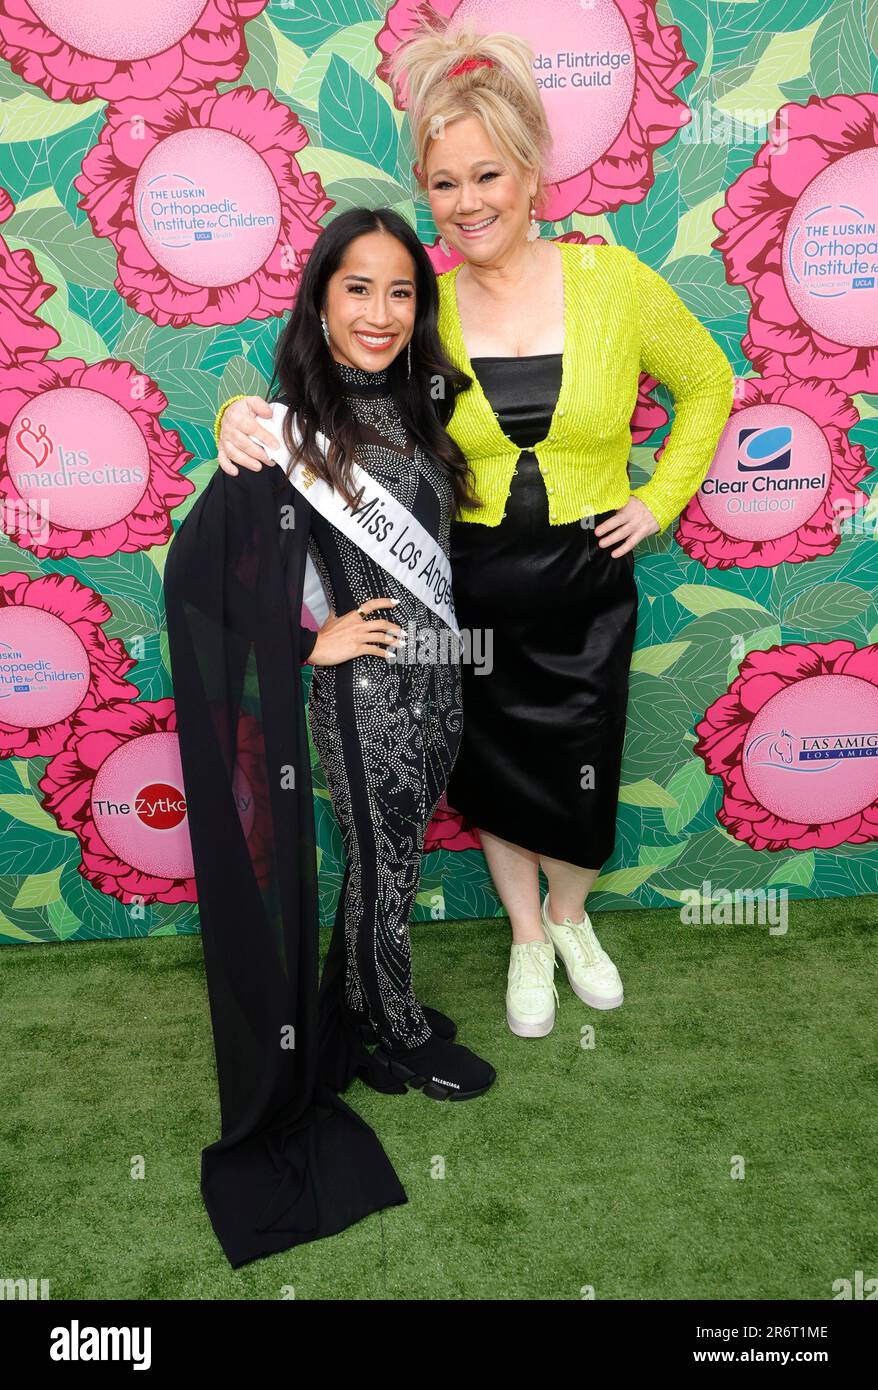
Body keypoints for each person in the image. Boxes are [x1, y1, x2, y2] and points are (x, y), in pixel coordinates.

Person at [212, 24, 736, 1043]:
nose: (468, 202)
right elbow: (335, 399)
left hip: (588, 579)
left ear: (531, 170)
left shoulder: (612, 281)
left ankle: (570, 918)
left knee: (581, 768)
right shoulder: (424, 307)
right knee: (494, 768)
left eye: (487, 174)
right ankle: (524, 938)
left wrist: (658, 499)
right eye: (443, 183)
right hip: (468, 583)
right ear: (425, 190)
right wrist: (241, 418)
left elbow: (708, 381)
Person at [164, 206, 494, 1266]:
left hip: (435, 684)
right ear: (319, 296)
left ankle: (362, 999)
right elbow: (212, 573)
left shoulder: (417, 402)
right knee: (382, 861)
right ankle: (390, 1036)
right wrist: (309, 645)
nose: (382, 312)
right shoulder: (284, 425)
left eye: (402, 291)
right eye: (358, 287)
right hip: (363, 700)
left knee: (385, 870)